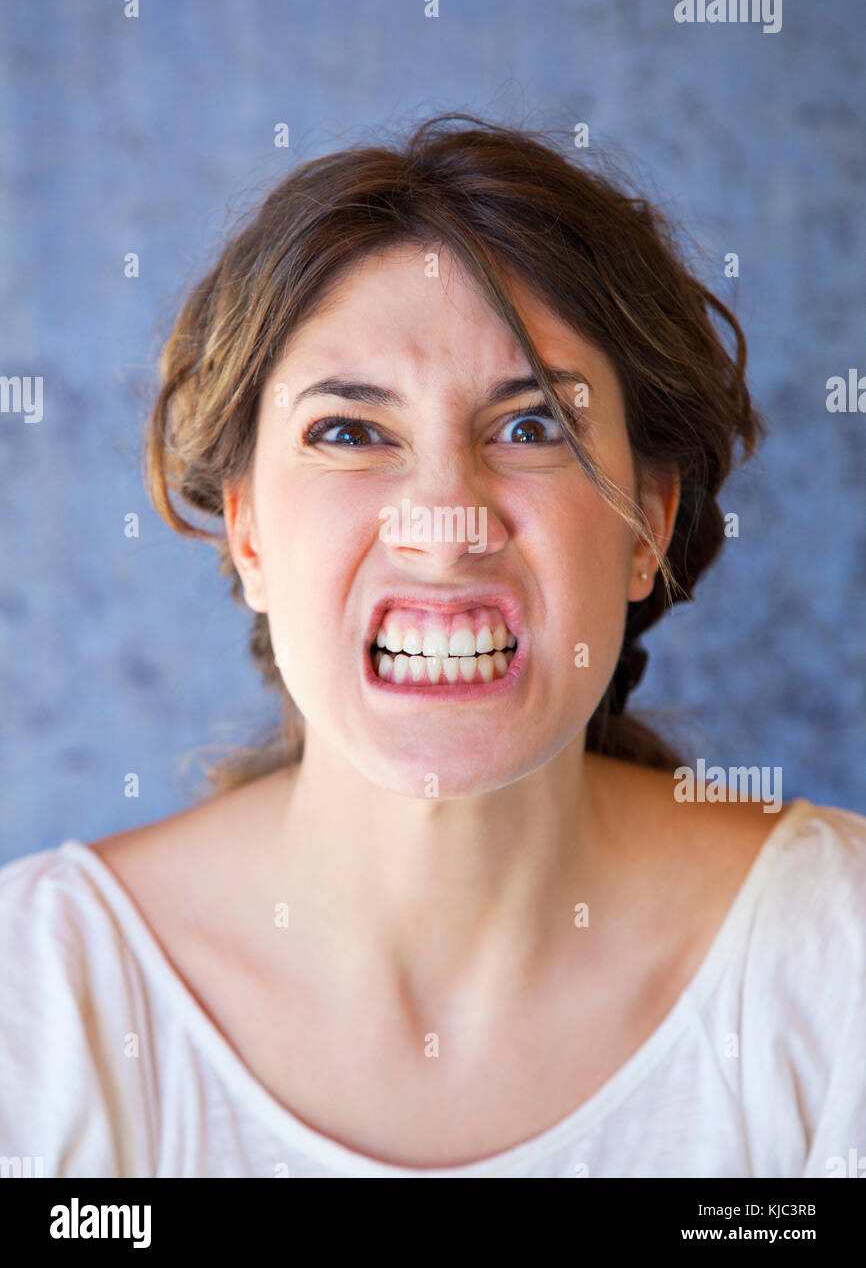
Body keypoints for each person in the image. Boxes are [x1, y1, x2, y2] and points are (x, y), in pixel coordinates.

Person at [1, 114, 864, 1179]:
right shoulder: (41, 998)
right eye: (351, 433)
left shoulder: (837, 958)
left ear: (646, 522)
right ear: (249, 532)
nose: (444, 521)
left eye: (530, 426)